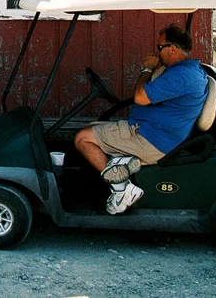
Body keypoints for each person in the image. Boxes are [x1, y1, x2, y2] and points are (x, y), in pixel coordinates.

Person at [73, 24, 207, 215]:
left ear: (173, 49)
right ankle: (121, 163)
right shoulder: (186, 71)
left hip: (150, 139)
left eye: (160, 47)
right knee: (94, 128)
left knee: (82, 138)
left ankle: (122, 189)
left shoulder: (182, 75)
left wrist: (147, 68)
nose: (157, 51)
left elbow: (140, 97)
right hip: (152, 132)